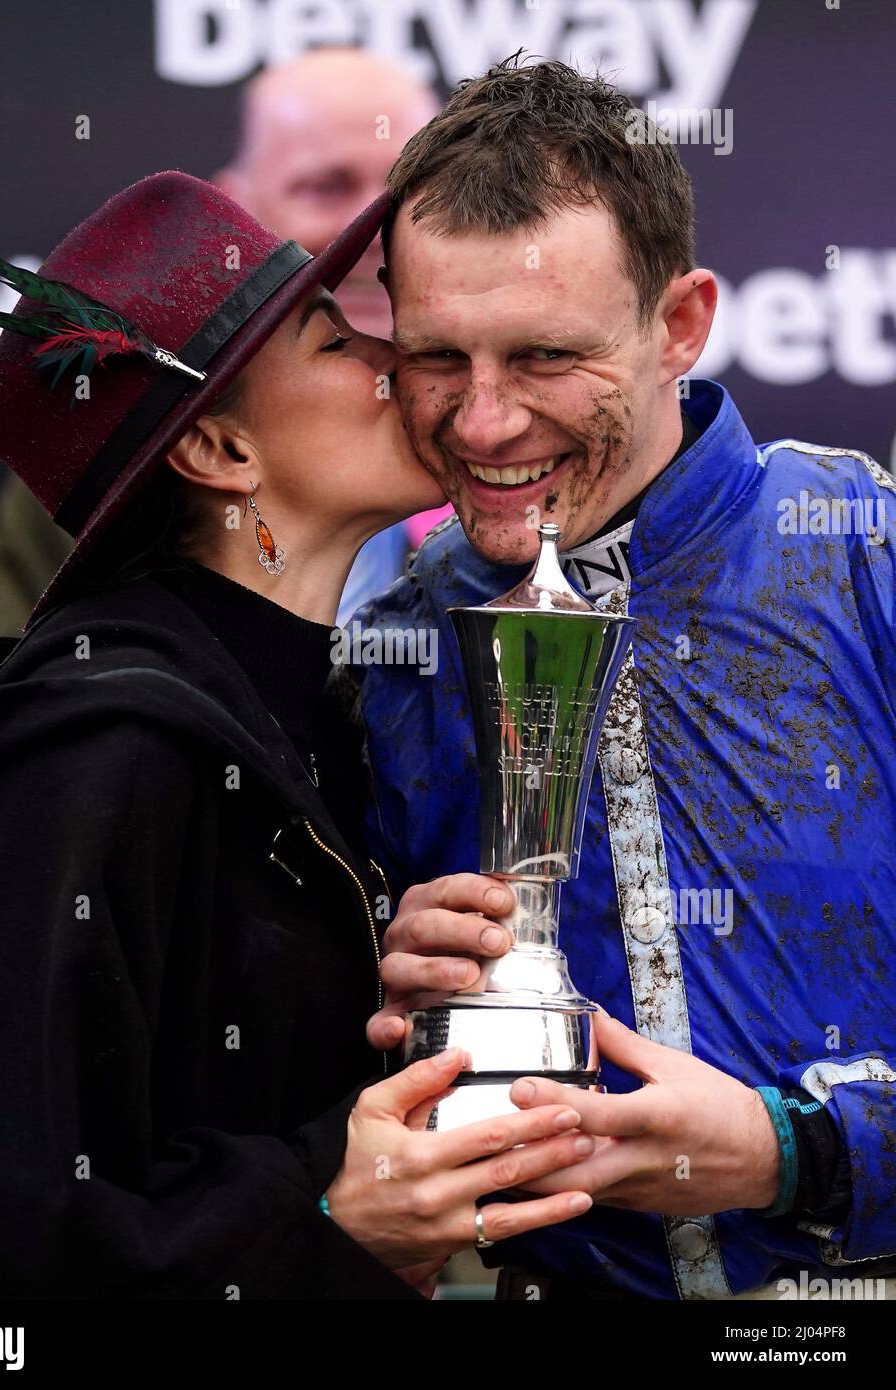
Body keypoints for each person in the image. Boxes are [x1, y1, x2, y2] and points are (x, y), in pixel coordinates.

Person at [0, 172, 598, 1300]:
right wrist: (318, 1205)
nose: (391, 365)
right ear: (219, 451)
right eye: (331, 344)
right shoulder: (93, 752)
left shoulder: (321, 723)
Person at [349, 57, 896, 1300]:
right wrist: (368, 991)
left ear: (681, 324)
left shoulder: (870, 553)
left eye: (544, 357)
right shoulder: (378, 649)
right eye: (440, 358)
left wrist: (796, 1150)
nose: (483, 426)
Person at [0, 47, 446, 635]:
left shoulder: (519, 434)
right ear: (236, 208)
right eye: (328, 186)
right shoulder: (95, 474)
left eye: (409, 192)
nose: (380, 228)